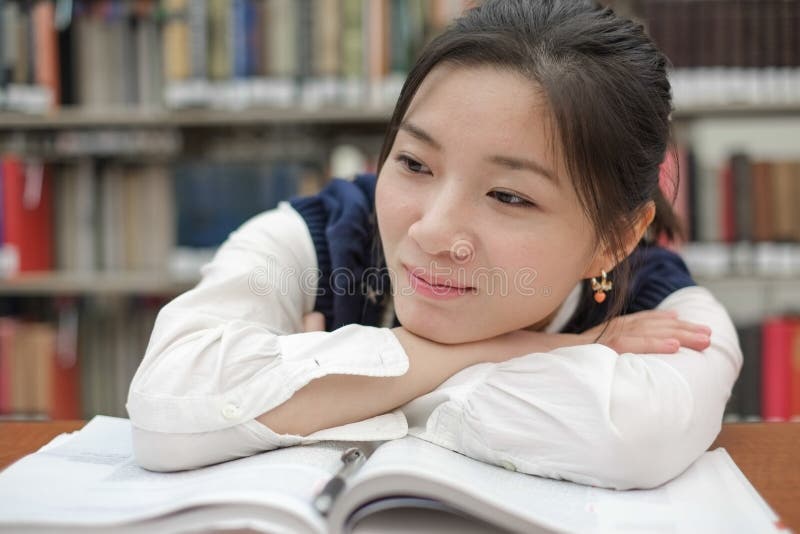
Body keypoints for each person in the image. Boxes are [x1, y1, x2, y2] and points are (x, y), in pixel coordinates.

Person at [127, 0, 742, 490]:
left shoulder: (664, 309)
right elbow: (165, 408)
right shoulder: (314, 236)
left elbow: (630, 438)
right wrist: (531, 350)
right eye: (415, 163)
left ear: (614, 238)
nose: (430, 231)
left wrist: (327, 387)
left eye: (508, 196)